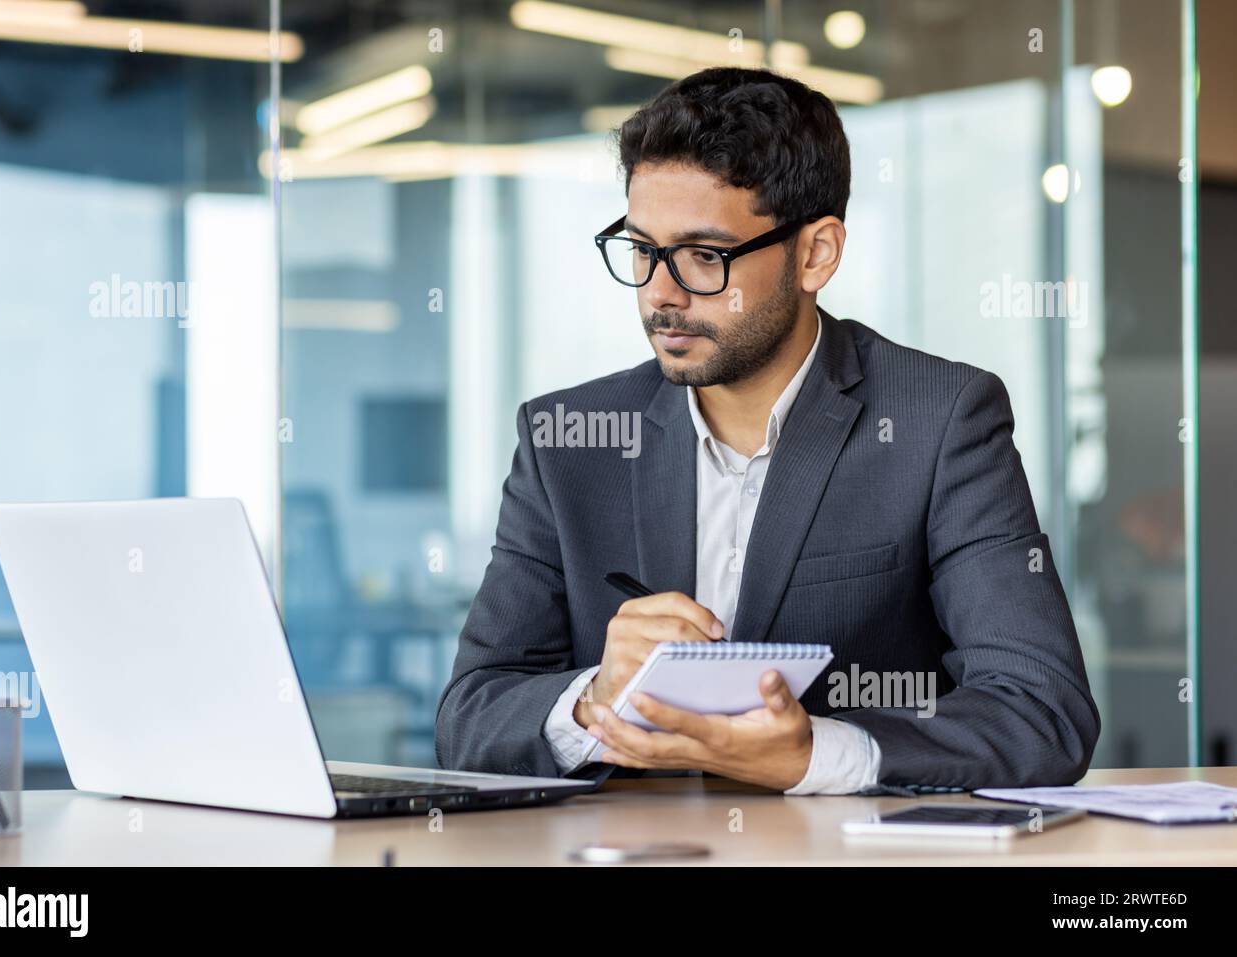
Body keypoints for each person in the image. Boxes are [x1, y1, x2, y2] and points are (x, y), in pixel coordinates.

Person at [435, 67, 1099, 794]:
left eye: (705, 257)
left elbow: (1043, 710)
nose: (661, 293)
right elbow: (470, 714)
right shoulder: (565, 440)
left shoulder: (938, 420)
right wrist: (594, 698)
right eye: (641, 248)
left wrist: (817, 753)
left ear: (816, 254)